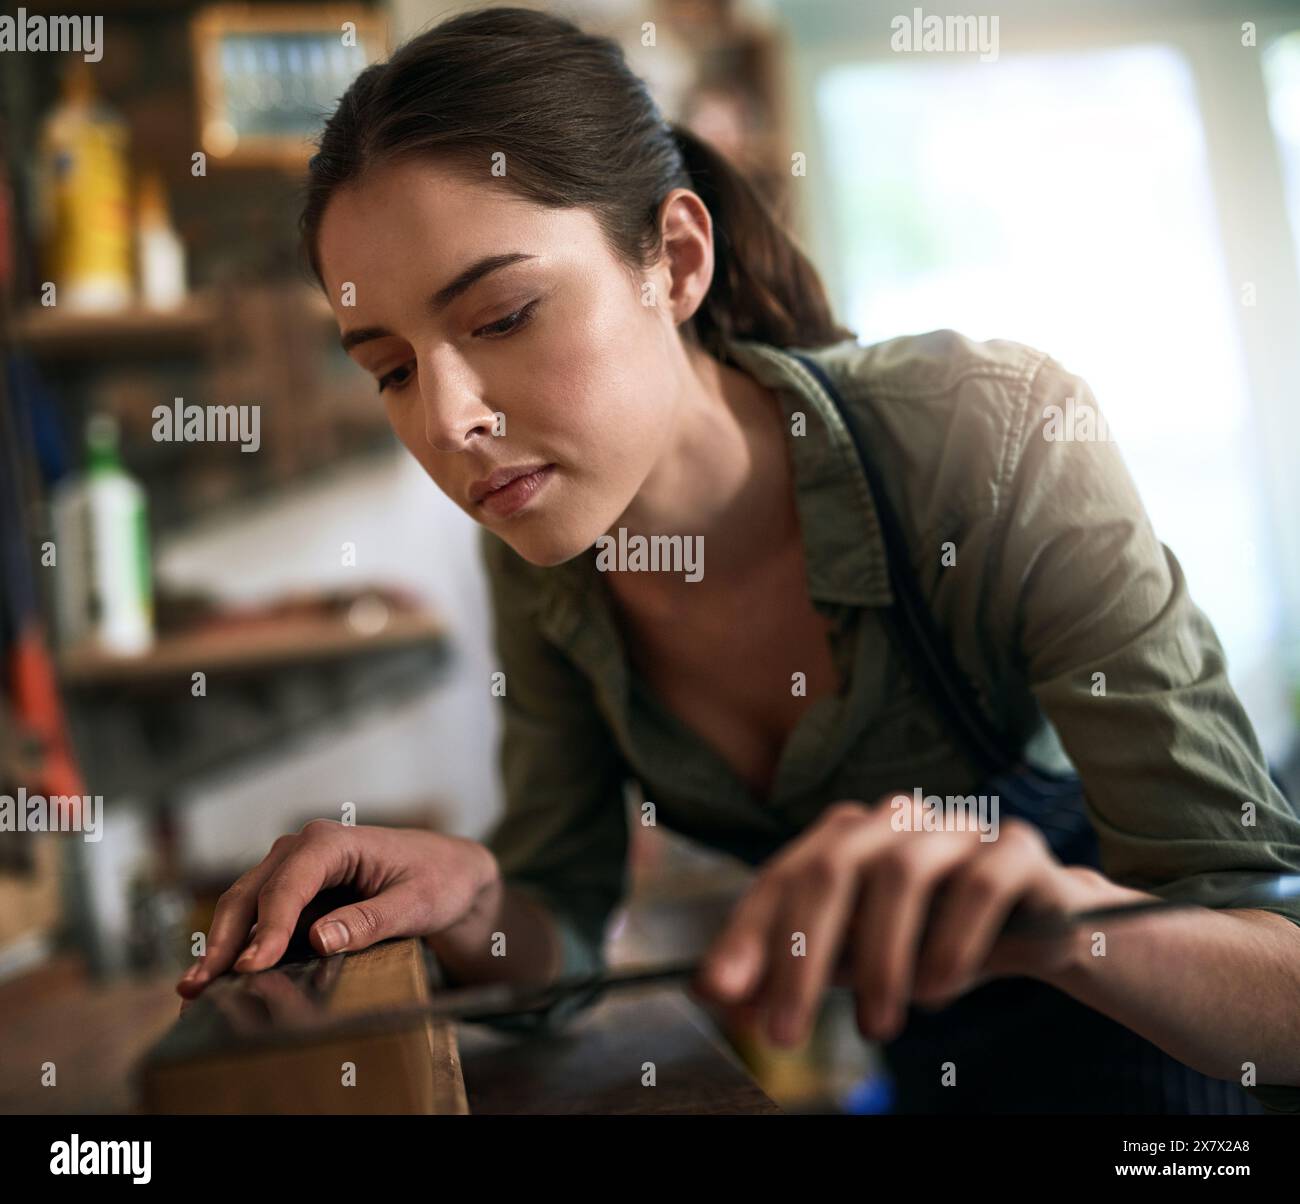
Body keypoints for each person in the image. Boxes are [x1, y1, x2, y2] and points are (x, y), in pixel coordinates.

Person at [175, 7, 1300, 1113]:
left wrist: (1065, 921)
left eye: (505, 315)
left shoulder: (989, 440)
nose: (448, 419)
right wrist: (474, 900)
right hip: (932, 1065)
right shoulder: (545, 556)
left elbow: (1280, 984)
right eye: (389, 369)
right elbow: (555, 940)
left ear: (672, 259)